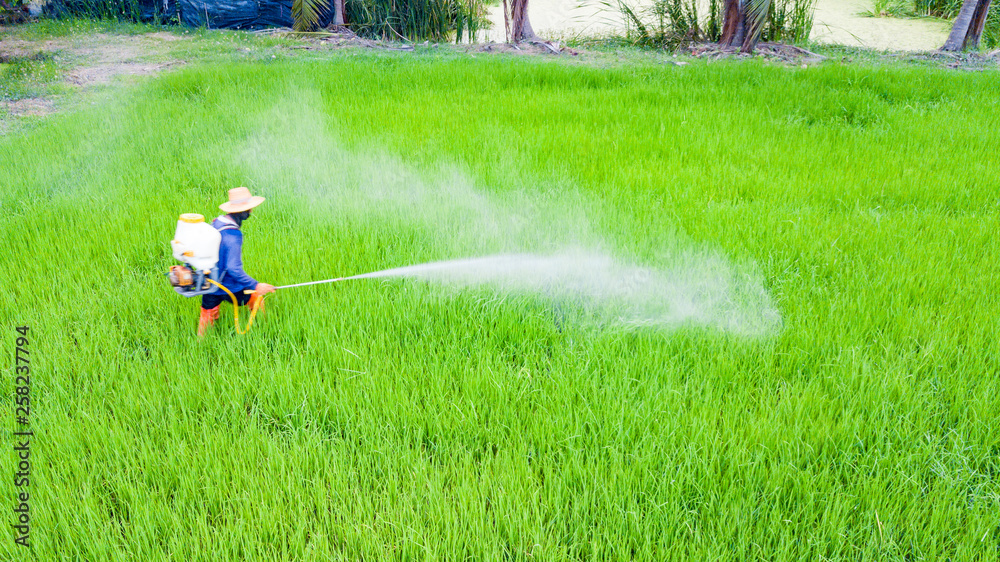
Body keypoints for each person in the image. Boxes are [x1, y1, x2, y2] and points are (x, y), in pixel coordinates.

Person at [198, 187, 276, 336]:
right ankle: (266, 330)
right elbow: (233, 269)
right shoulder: (233, 235)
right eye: (248, 209)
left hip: (209, 280)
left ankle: (201, 343)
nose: (251, 212)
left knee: (207, 315)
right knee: (256, 296)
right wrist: (256, 285)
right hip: (229, 285)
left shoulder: (217, 223)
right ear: (241, 211)